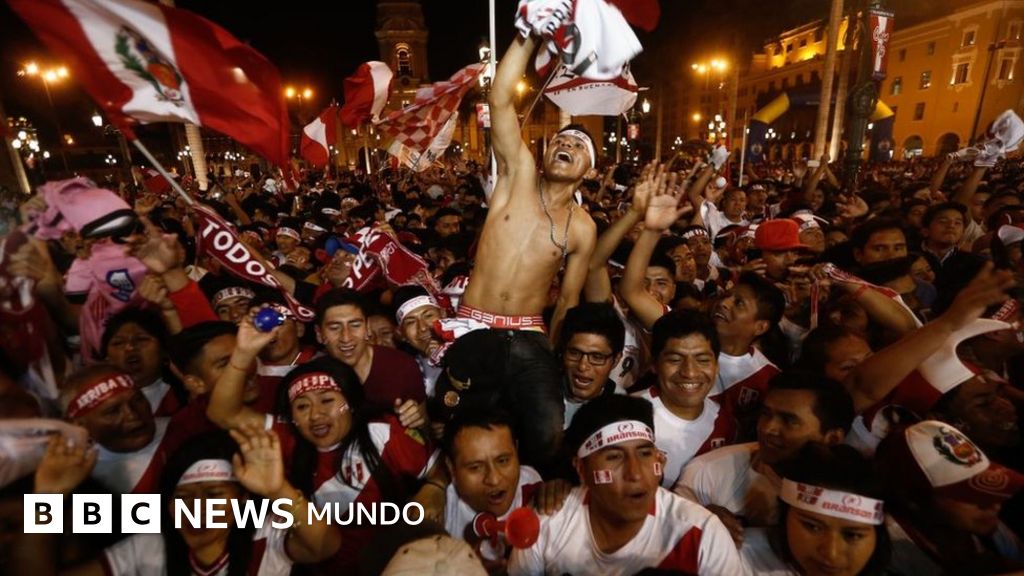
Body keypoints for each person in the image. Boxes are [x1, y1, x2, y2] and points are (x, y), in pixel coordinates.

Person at [440, 31, 598, 471]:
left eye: (578, 146)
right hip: (475, 326)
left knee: (546, 435)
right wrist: (529, 35)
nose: (565, 145)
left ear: (589, 171)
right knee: (458, 433)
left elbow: (568, 299)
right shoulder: (516, 177)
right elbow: (501, 98)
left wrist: (553, 352)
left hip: (530, 337)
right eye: (561, 141)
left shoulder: (583, 228)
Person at [12, 428, 342, 575]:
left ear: (242, 500)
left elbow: (324, 546)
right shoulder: (147, 545)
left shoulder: (266, 535)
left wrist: (278, 490)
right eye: (183, 497)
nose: (196, 510)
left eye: (214, 495)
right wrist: (46, 499)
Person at [508, 395, 742, 575]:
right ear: (581, 469)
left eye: (644, 453)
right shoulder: (547, 522)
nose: (635, 473)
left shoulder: (703, 534)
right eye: (614, 457)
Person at [674, 371, 855, 537]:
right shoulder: (706, 473)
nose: (767, 428)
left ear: (832, 439)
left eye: (789, 420)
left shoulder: (855, 498)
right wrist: (699, 522)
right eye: (766, 414)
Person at [877, 420, 1024, 574]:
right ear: (912, 499)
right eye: (970, 495)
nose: (994, 504)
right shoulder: (886, 554)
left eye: (988, 489)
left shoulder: (979, 522)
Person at [740, 443, 892, 576]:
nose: (831, 553)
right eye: (813, 527)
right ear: (785, 516)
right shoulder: (741, 558)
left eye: (852, 535)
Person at [632, 310, 739, 487]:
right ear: (654, 364)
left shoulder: (726, 424)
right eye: (675, 360)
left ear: (717, 365)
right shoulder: (626, 415)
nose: (690, 372)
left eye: (702, 360)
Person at [441, 410, 541, 566]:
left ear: (516, 450)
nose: (494, 479)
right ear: (451, 467)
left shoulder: (534, 488)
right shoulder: (441, 510)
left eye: (503, 461)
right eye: (475, 467)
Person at [314, 288, 426, 426]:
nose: (346, 337)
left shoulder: (402, 367)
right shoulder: (311, 378)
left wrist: (415, 421)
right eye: (334, 328)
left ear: (367, 328)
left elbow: (425, 427)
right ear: (319, 334)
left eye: (355, 325)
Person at [557, 302, 624, 427]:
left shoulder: (623, 413)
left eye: (597, 357)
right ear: (562, 351)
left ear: (616, 360)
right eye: (574, 353)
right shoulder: (535, 395)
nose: (582, 366)